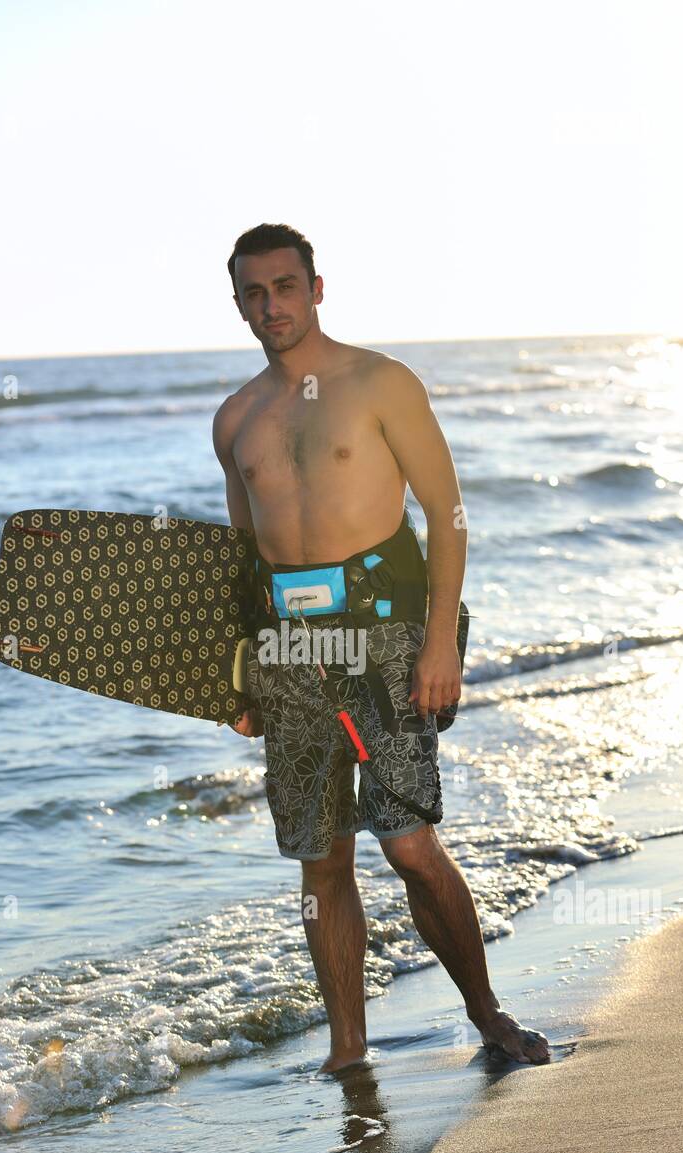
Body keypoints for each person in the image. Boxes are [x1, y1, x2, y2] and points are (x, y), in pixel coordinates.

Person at [213, 222, 549, 1072]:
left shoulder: (380, 382)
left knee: (405, 841)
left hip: (387, 633)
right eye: (254, 293)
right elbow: (245, 560)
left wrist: (443, 642)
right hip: (288, 651)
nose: (271, 306)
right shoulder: (236, 420)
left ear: (316, 289)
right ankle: (348, 1052)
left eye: (285, 287)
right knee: (320, 862)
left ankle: (488, 1015)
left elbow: (448, 512)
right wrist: (242, 678)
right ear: (239, 304)